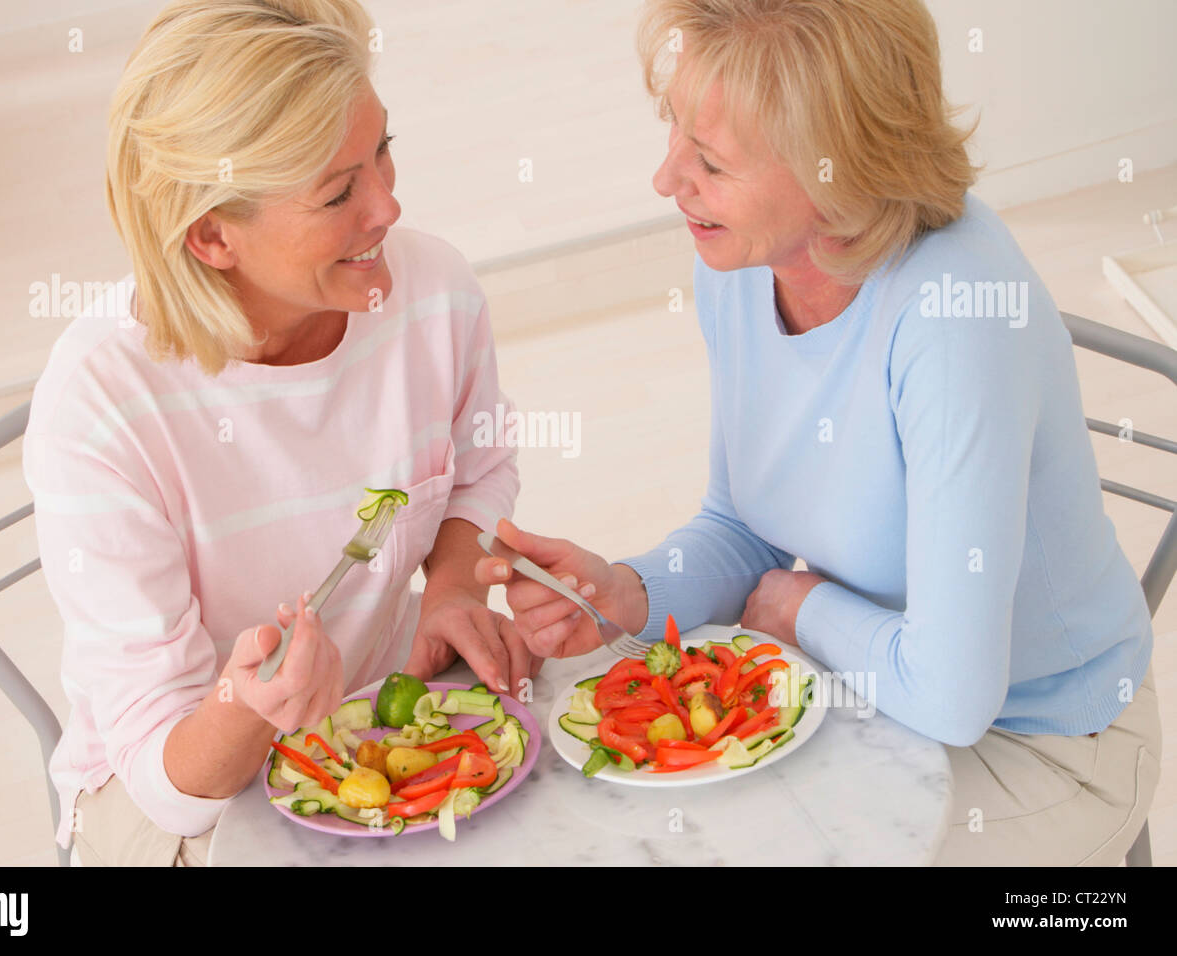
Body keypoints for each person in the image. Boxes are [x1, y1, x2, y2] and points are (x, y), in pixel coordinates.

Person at [476, 0, 1161, 866]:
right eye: (675, 135)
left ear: (837, 175)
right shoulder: (742, 259)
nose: (665, 180)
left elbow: (953, 698)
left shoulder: (954, 322)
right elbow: (745, 526)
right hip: (872, 689)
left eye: (710, 161)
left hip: (1042, 744)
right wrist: (626, 592)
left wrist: (803, 606)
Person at [23, 0, 533, 866]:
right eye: (339, 192)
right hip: (182, 801)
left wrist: (451, 588)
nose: (388, 206)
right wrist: (253, 708)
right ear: (213, 235)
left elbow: (478, 473)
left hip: (359, 726)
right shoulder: (97, 409)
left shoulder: (432, 290)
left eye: (384, 153)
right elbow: (162, 780)